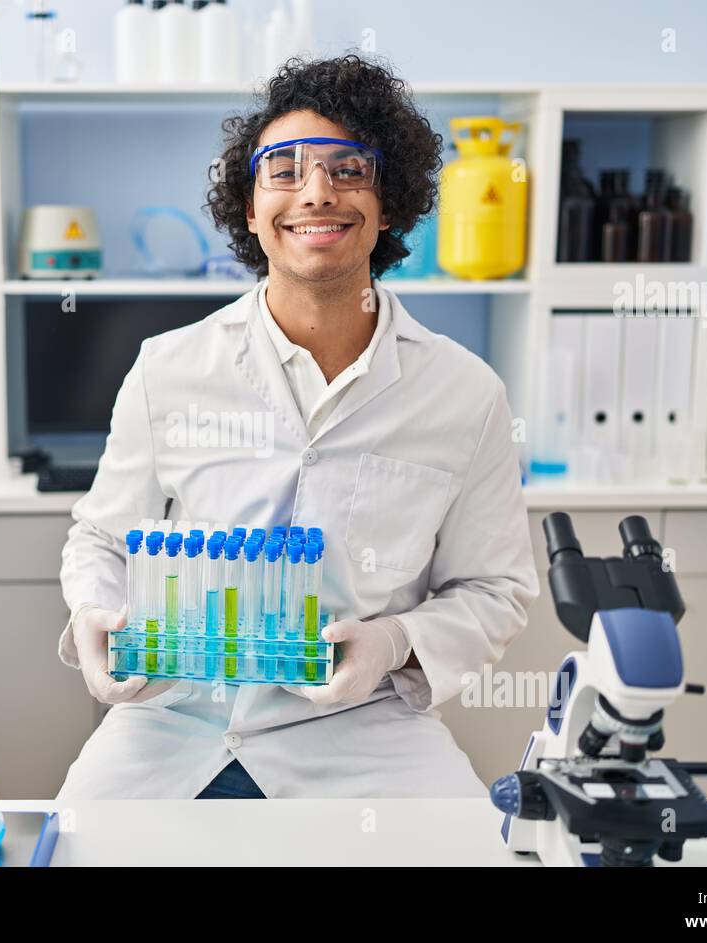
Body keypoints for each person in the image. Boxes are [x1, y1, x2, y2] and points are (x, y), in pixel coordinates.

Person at [55, 55, 539, 799]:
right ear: (250, 210)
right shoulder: (168, 367)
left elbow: (493, 587)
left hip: (365, 732)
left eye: (349, 169)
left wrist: (392, 642)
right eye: (283, 170)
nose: (317, 192)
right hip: (172, 718)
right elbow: (102, 538)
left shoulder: (465, 395)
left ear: (389, 204)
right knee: (83, 846)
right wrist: (93, 613)